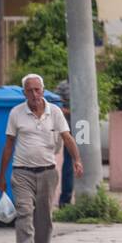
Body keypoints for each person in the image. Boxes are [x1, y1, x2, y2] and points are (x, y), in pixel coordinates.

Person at [0, 74, 83, 243]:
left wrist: (77, 159)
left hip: (47, 172)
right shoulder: (16, 113)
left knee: (44, 217)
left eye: (37, 90)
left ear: (43, 90)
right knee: (24, 212)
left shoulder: (55, 112)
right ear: (24, 93)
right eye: (30, 90)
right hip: (22, 172)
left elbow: (67, 137)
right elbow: (9, 145)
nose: (34, 94)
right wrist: (1, 176)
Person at [55, 79, 74, 208]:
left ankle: (88, 196)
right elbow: (56, 105)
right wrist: (69, 112)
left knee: (84, 158)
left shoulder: (87, 82)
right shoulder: (63, 86)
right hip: (68, 127)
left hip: (83, 125)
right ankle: (65, 200)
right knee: (69, 162)